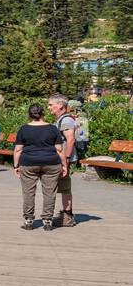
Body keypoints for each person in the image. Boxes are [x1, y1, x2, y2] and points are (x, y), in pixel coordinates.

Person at [13, 104, 66, 230]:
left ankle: (29, 220)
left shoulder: (24, 129)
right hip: (51, 163)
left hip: (28, 163)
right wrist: (64, 165)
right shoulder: (53, 129)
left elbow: (18, 150)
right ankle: (47, 220)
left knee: (28, 192)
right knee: (49, 192)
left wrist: (16, 166)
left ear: (29, 114)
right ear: (43, 113)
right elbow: (59, 149)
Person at [49, 95, 79, 227]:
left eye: (51, 105)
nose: (49, 107)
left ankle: (67, 216)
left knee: (65, 187)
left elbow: (70, 139)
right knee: (63, 187)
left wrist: (65, 159)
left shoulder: (66, 120)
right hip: (62, 158)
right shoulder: (63, 119)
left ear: (60, 106)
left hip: (64, 159)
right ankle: (66, 214)